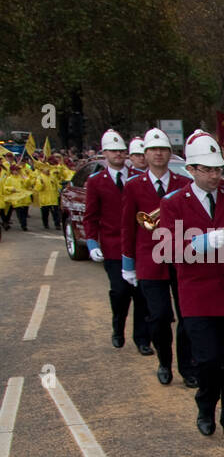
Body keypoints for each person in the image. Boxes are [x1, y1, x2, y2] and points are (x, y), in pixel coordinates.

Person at [160, 130, 224, 441]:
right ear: (191, 170)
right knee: (209, 360)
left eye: (219, 169)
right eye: (209, 170)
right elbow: (168, 250)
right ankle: (205, 406)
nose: (216, 176)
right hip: (199, 296)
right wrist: (205, 241)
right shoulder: (173, 202)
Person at [121, 127, 197, 387]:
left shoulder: (182, 183)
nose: (158, 154)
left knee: (186, 316)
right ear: (145, 154)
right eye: (153, 150)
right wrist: (127, 262)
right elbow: (127, 226)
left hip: (179, 257)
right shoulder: (133, 186)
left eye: (163, 149)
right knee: (160, 316)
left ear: (169, 153)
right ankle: (165, 361)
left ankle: (188, 367)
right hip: (149, 261)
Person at [83, 129, 150, 354]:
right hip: (112, 246)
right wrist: (92, 242)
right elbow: (91, 216)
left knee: (141, 293)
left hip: (137, 245)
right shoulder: (96, 181)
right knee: (120, 291)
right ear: (104, 154)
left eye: (122, 151)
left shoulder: (137, 177)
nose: (118, 155)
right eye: (113, 151)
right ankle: (117, 327)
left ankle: (142, 338)